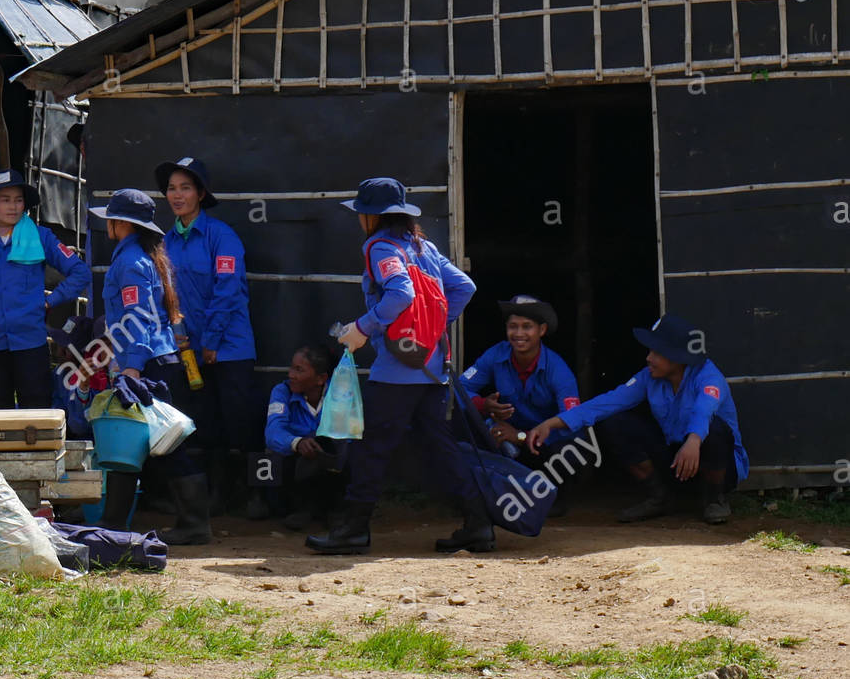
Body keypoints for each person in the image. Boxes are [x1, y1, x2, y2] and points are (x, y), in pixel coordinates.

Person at [306, 177, 480, 556]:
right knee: (440, 446)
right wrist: (431, 329)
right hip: (432, 366)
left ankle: (352, 530)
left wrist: (364, 328)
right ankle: (478, 523)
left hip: (398, 370)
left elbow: (401, 293)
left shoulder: (379, 245)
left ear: (372, 217)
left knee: (372, 449)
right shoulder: (424, 247)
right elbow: (464, 286)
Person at [526, 313, 746, 525]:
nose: (648, 358)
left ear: (677, 357)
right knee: (615, 422)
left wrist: (694, 440)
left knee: (716, 429)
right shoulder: (649, 376)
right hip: (675, 460)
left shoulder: (708, 376)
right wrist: (552, 423)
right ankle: (659, 497)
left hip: (715, 465)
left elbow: (704, 409)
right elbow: (607, 402)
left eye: (656, 352)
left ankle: (715, 499)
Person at [89, 188, 210, 546]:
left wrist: (132, 370)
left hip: (147, 366)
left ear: (121, 224)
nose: (107, 225)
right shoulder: (143, 257)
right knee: (144, 443)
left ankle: (122, 524)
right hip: (156, 362)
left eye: (110, 219)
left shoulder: (130, 262)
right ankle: (118, 523)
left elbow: (136, 319)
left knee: (144, 444)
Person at [155, 156, 262, 518]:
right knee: (204, 425)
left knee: (240, 420)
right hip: (189, 352)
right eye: (172, 188)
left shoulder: (221, 236)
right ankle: (213, 500)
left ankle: (258, 499)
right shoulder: (165, 242)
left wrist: (212, 340)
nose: (177, 194)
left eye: (185, 187)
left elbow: (228, 289)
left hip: (228, 349)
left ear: (201, 193)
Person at [0, 169, 90, 409]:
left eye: (18, 200)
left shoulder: (42, 237)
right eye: (5, 200)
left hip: (30, 344)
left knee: (38, 415)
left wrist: (50, 301)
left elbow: (81, 272)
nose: (13, 207)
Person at [459, 294, 585, 513]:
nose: (518, 334)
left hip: (545, 445)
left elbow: (572, 422)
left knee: (574, 446)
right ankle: (487, 497)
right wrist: (483, 405)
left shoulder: (558, 370)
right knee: (468, 424)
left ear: (542, 331)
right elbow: (459, 388)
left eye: (527, 327)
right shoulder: (496, 354)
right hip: (508, 442)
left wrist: (520, 436)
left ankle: (555, 497)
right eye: (513, 326)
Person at [265, 344, 348, 531]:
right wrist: (297, 442)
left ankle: (336, 510)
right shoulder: (282, 391)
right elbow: (273, 433)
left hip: (329, 464)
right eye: (292, 368)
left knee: (339, 450)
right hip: (296, 463)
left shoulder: (340, 395)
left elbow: (347, 436)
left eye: (299, 370)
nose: (291, 374)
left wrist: (319, 445)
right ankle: (301, 508)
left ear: (321, 379)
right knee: (272, 456)